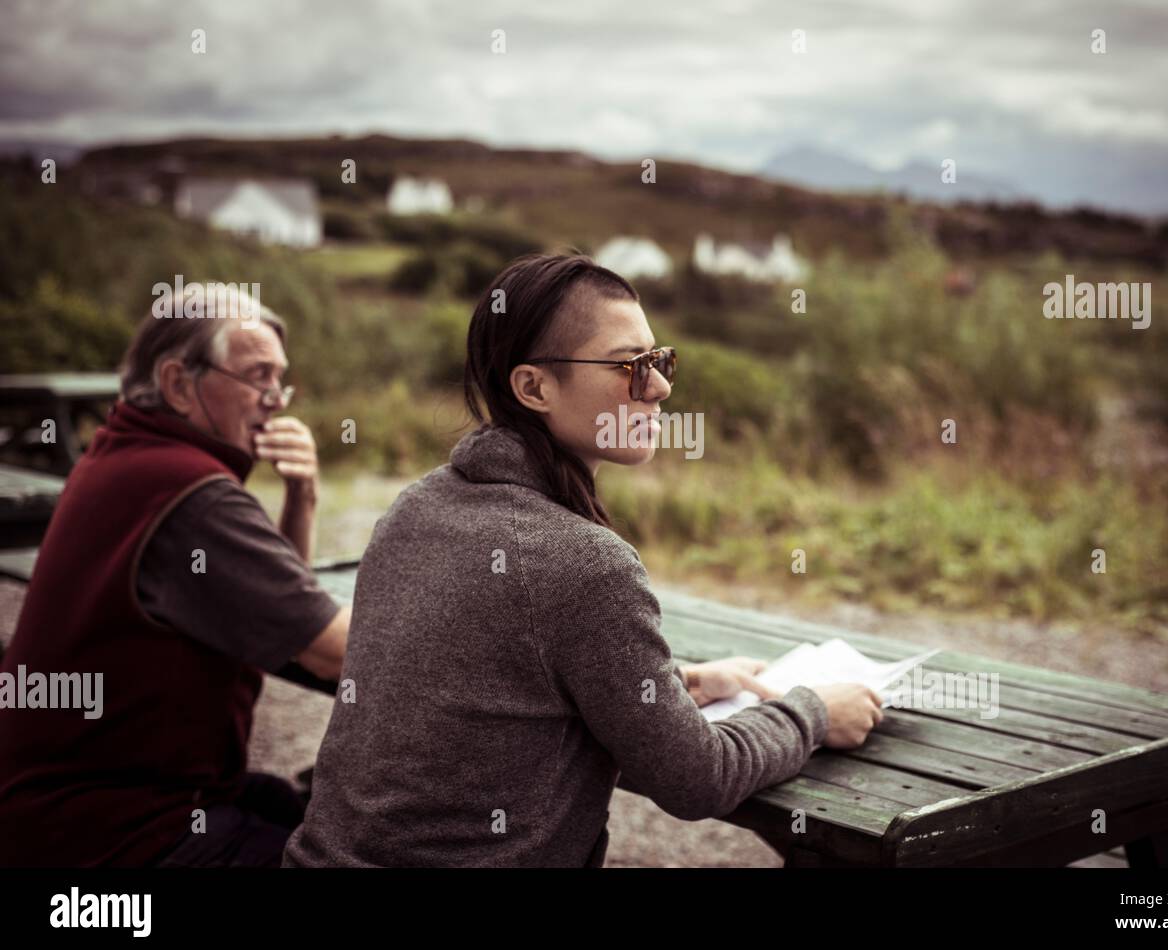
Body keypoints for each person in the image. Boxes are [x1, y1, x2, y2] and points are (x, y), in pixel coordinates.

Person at [282, 253, 880, 867]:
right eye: (630, 366)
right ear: (533, 387)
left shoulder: (415, 508)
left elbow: (509, 681)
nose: (661, 388)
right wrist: (811, 711)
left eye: (660, 359)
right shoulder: (584, 563)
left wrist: (684, 684)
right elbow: (698, 778)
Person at [0, 287, 350, 867]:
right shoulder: (196, 497)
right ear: (178, 384)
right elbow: (332, 651)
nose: (274, 400)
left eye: (279, 380)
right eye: (256, 376)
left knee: (315, 808)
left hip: (60, 799)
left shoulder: (121, 451)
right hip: (112, 831)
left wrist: (303, 495)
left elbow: (279, 614)